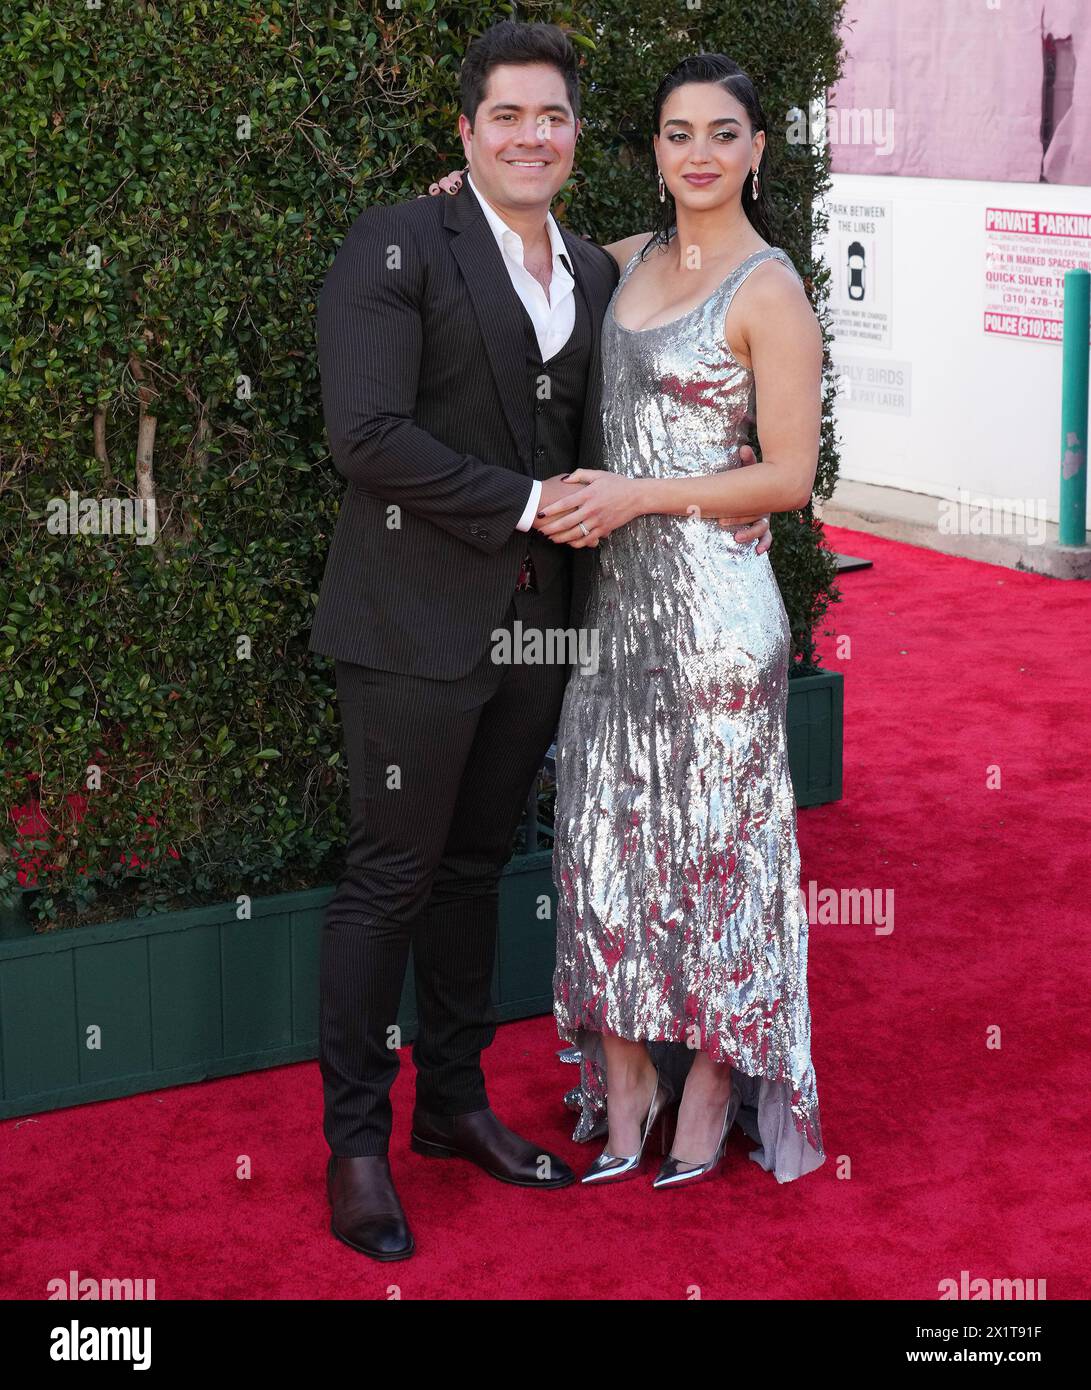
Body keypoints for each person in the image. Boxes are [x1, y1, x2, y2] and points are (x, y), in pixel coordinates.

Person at [310, 21, 773, 1260]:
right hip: (409, 624)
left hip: (539, 631)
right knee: (389, 881)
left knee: (471, 873)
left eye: (552, 116)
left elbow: (664, 368)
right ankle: (356, 1145)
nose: (530, 135)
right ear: (464, 133)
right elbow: (364, 433)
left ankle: (452, 1107)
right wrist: (527, 502)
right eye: (505, 115)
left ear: (574, 136)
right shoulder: (397, 240)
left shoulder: (594, 263)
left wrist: (726, 465)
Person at [535, 54, 828, 1187]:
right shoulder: (621, 260)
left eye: (721, 132)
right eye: (674, 133)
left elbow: (791, 477)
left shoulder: (766, 288)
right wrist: (458, 199)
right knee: (602, 847)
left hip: (715, 624)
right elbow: (521, 257)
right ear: (653, 151)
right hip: (613, 622)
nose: (696, 153)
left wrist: (638, 495)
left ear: (757, 149)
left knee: (719, 858)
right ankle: (626, 1082)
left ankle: (714, 1078)